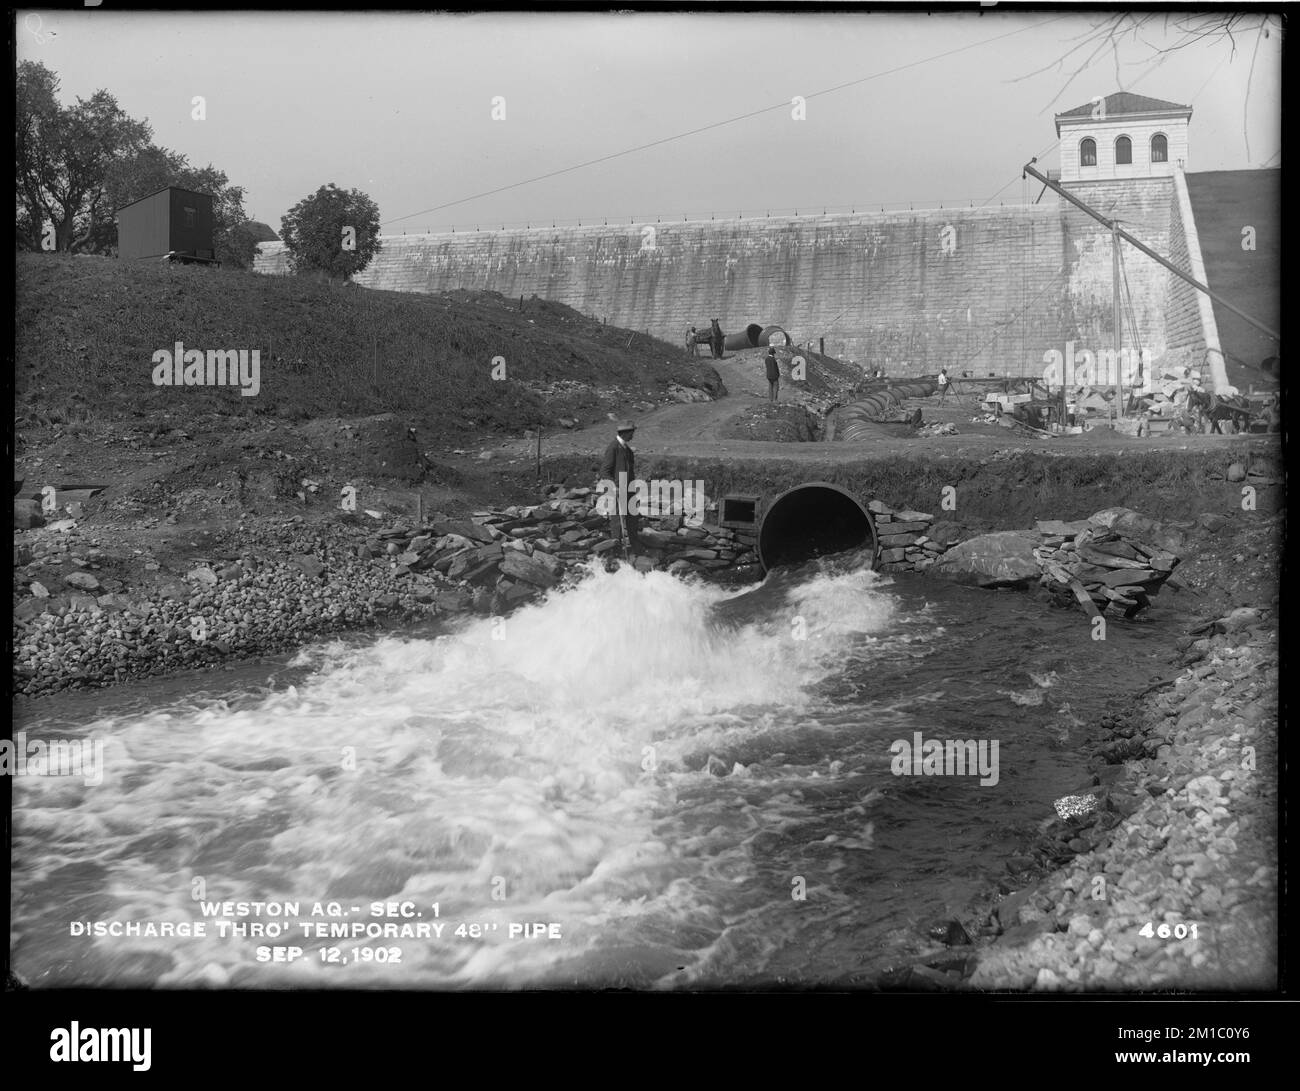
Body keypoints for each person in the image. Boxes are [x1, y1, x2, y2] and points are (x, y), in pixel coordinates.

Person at [600, 420, 640, 555]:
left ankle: (635, 548)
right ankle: (615, 550)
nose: (633, 436)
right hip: (617, 489)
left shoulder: (627, 450)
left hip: (629, 489)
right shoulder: (613, 448)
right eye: (632, 433)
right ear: (625, 433)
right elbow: (604, 471)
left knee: (632, 518)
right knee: (617, 520)